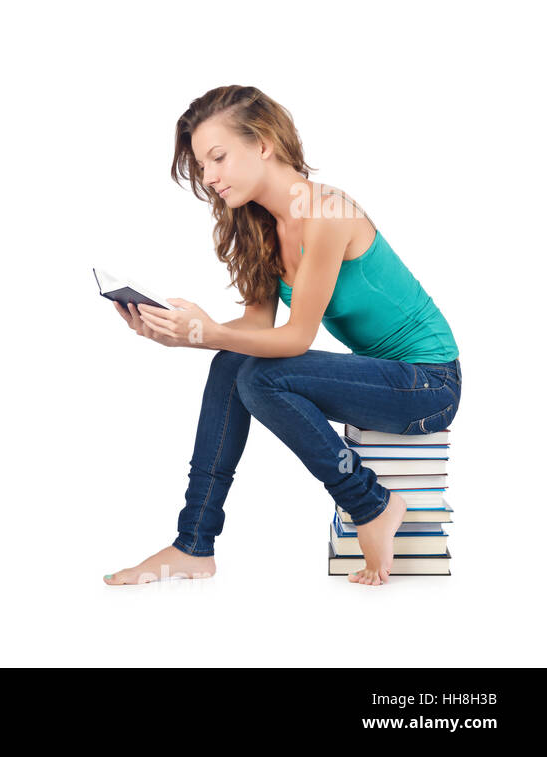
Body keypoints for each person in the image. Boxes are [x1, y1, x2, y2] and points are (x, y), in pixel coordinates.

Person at [104, 85, 459, 587]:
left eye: (218, 157)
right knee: (233, 364)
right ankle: (194, 545)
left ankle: (371, 504)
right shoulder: (263, 226)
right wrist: (182, 334)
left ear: (264, 143)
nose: (209, 178)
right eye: (203, 166)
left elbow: (294, 339)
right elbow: (253, 331)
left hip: (430, 386)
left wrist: (204, 332)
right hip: (388, 381)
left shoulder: (328, 212)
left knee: (260, 378)